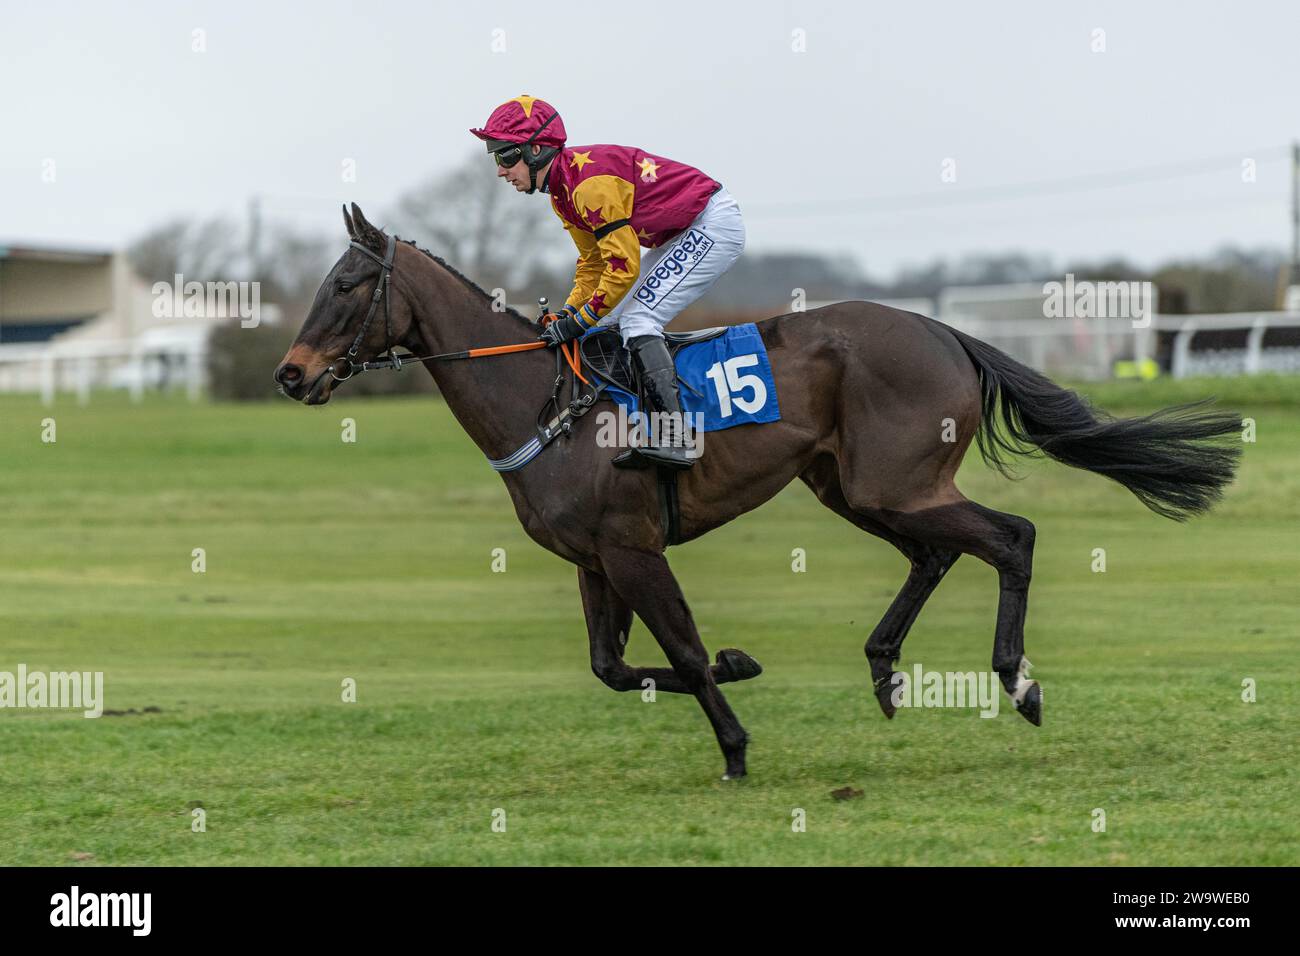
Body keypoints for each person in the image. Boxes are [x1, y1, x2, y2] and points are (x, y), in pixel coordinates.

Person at [470, 94, 745, 470]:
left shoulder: (588, 187)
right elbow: (592, 263)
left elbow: (621, 269)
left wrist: (577, 322)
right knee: (603, 320)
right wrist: (568, 313)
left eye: (505, 156)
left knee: (637, 320)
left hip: (712, 224)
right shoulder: (562, 193)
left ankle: (678, 436)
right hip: (678, 234)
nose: (501, 171)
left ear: (536, 149)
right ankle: (628, 423)